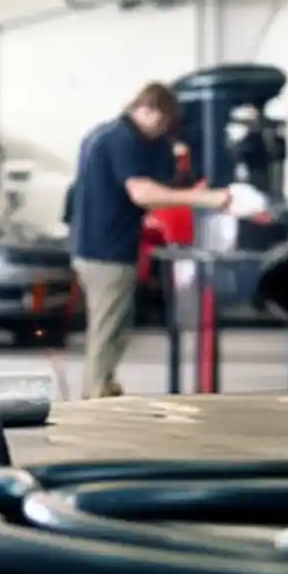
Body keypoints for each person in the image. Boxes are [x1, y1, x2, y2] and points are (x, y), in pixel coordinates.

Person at [70, 82, 232, 399]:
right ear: (145, 110)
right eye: (159, 123)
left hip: (92, 247)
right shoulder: (124, 140)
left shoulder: (102, 133)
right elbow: (142, 193)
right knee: (107, 332)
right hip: (108, 252)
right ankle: (94, 400)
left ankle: (101, 388)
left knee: (113, 327)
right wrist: (205, 199)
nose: (160, 131)